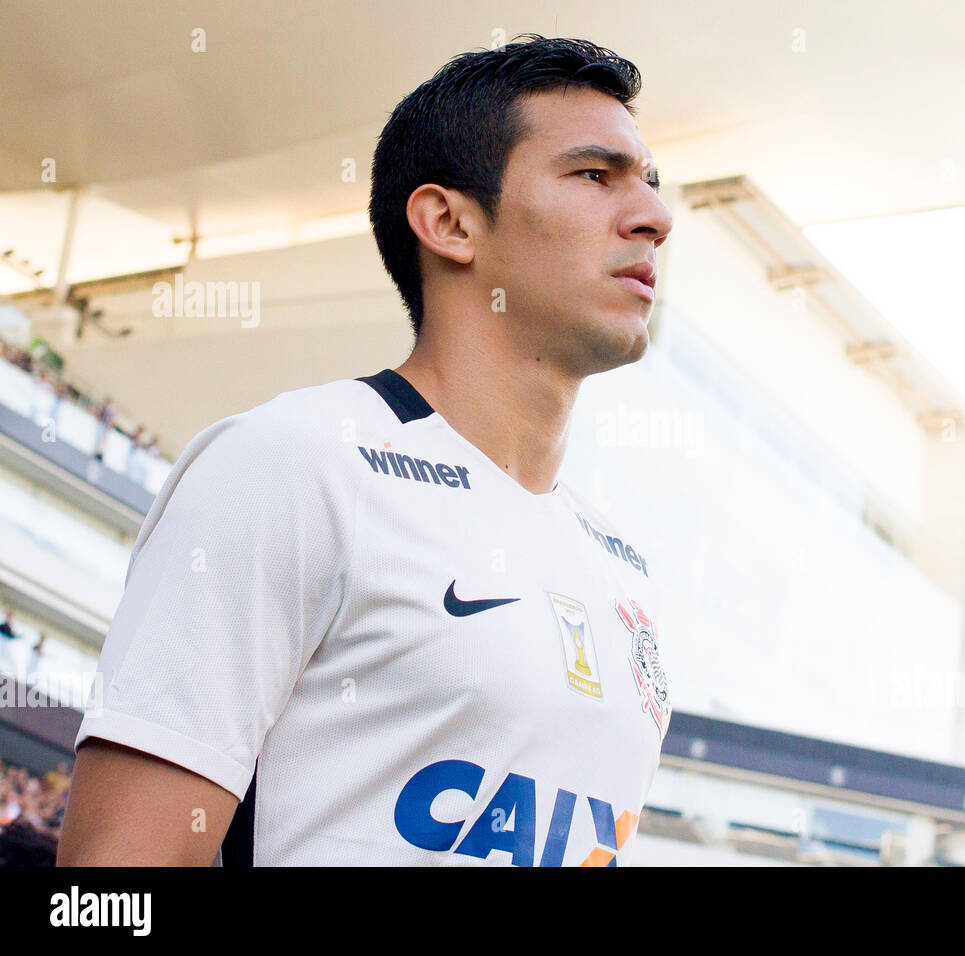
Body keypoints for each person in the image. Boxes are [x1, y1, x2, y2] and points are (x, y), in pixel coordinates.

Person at [60, 35, 673, 867]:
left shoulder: (624, 569)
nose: (653, 217)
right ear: (450, 223)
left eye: (650, 182)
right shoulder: (293, 464)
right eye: (595, 175)